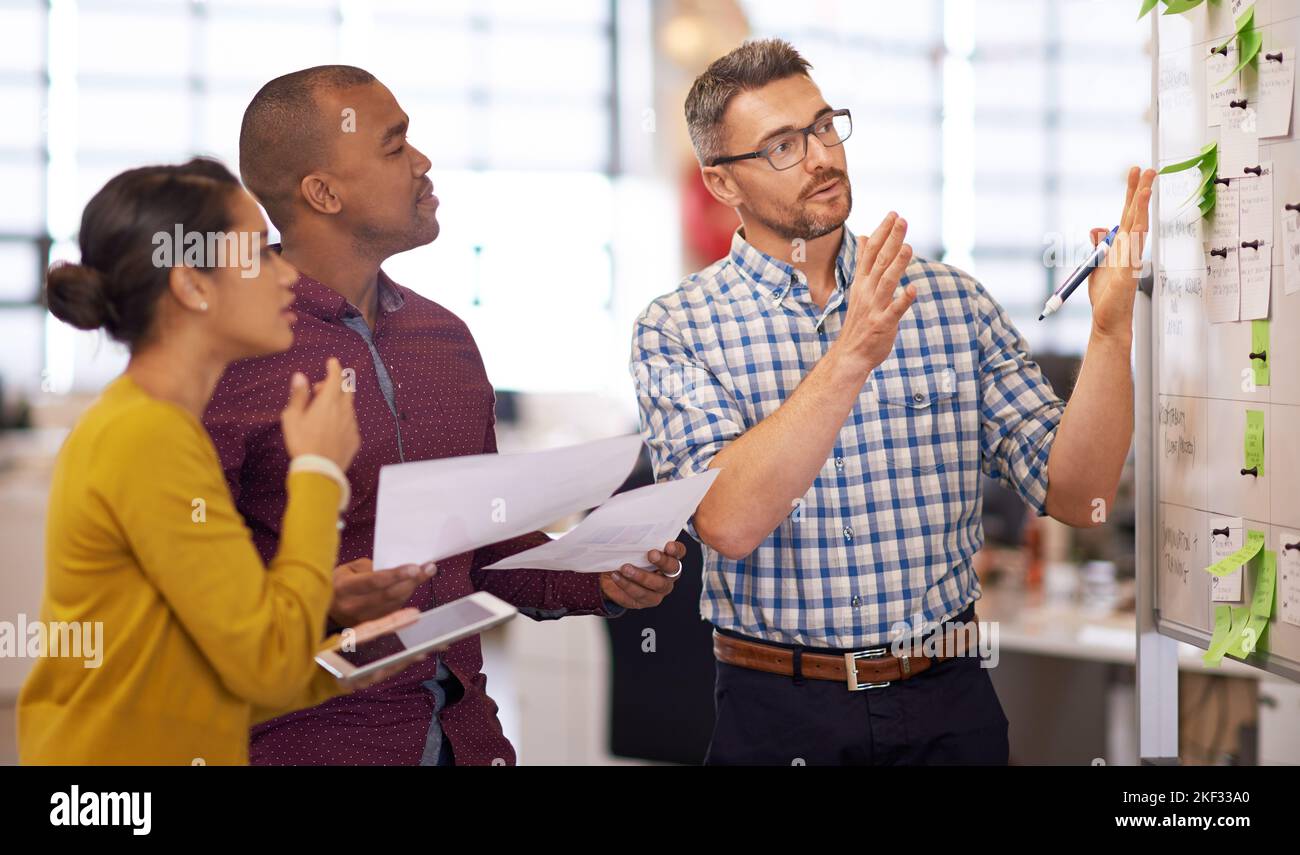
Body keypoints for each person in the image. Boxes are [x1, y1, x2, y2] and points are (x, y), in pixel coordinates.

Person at [631, 39, 1154, 765]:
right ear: (723, 185)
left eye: (822, 126)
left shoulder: (948, 299)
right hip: (778, 711)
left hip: (948, 698)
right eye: (782, 145)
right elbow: (728, 521)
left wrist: (1110, 330)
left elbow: (1080, 491)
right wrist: (851, 356)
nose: (820, 155)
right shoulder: (678, 327)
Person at [203, 66, 687, 766]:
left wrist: (601, 578)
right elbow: (179, 589)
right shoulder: (230, 353)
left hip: (469, 739)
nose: (423, 162)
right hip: (304, 743)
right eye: (395, 146)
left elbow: (482, 557)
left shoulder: (445, 340)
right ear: (322, 191)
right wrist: (319, 601)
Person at [19, 157, 420, 765]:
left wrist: (334, 653)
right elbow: (264, 667)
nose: (285, 274)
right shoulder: (147, 436)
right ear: (192, 284)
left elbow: (204, 667)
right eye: (258, 252)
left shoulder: (151, 425)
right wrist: (316, 472)